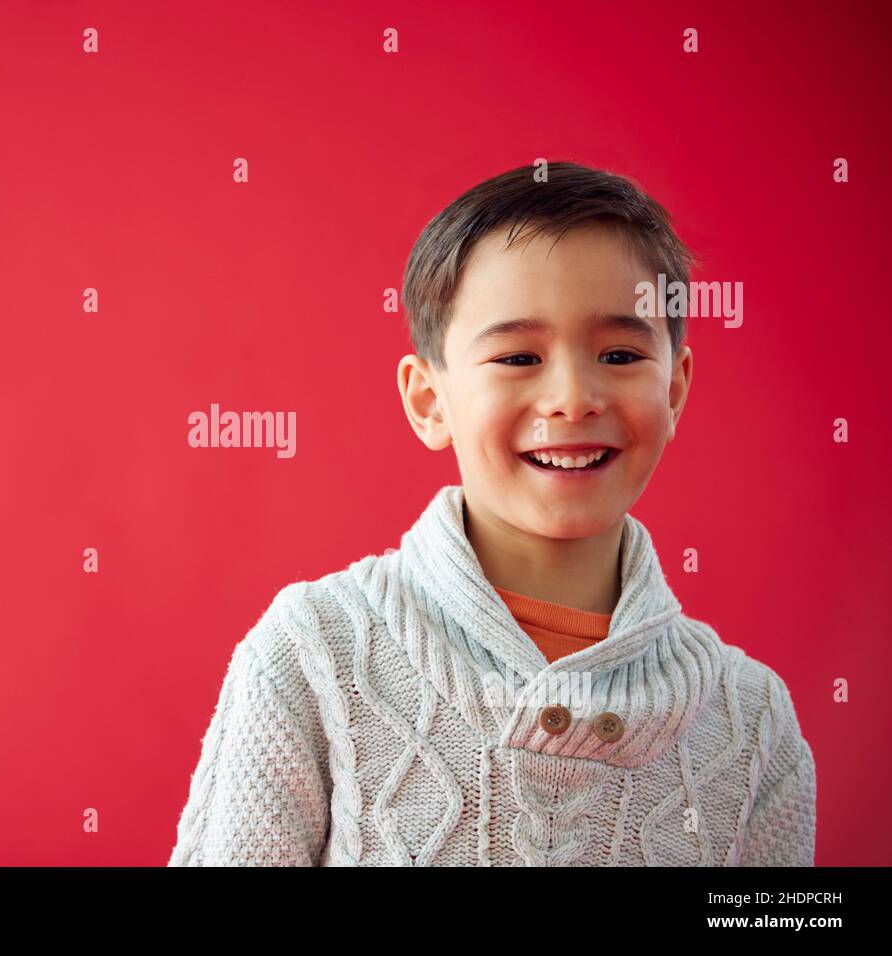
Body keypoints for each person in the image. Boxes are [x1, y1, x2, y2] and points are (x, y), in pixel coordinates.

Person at [167, 162, 816, 866]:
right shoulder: (314, 652)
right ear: (428, 401)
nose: (572, 397)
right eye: (517, 356)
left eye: (621, 353)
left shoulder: (751, 721)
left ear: (676, 389)